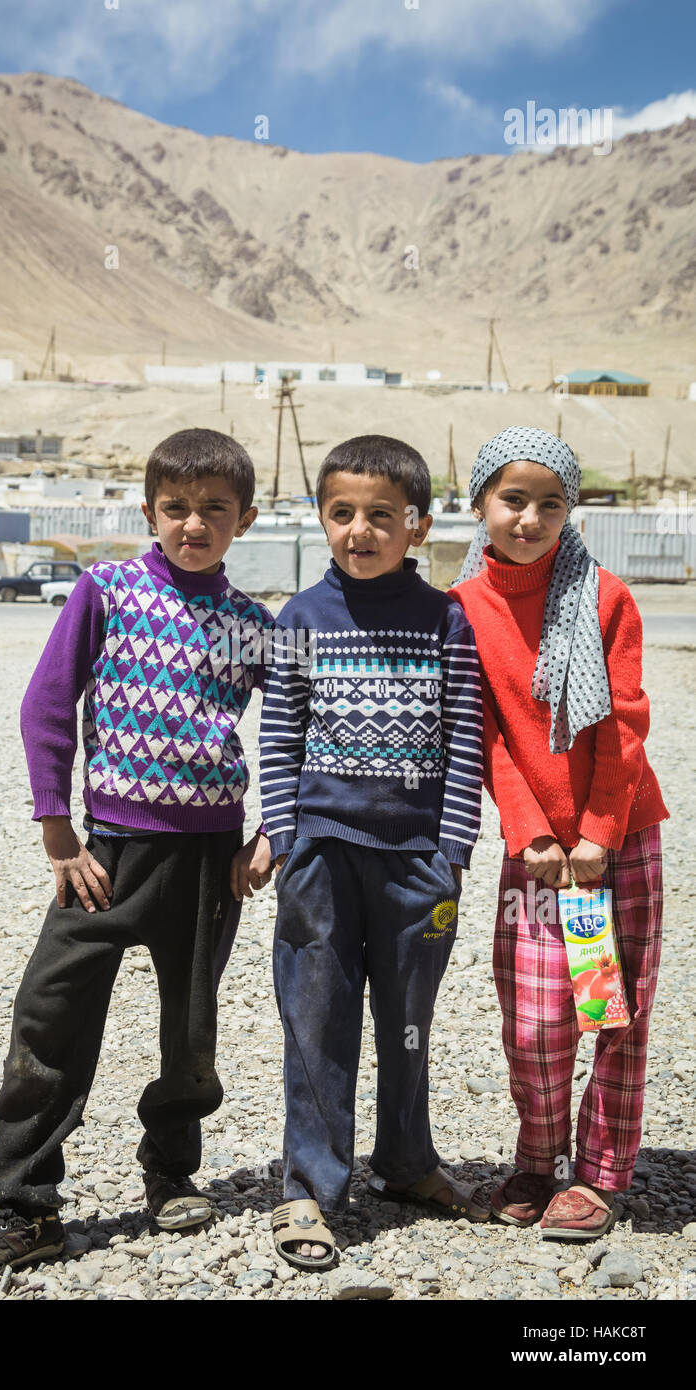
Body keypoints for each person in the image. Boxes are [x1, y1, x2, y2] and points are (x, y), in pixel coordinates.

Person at [0, 427, 274, 1294]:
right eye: (176, 508)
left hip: (209, 860)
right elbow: (48, 701)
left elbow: (308, 722)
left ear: (247, 518)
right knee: (52, 1010)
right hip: (107, 854)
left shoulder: (251, 624)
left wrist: (280, 829)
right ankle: (25, 1206)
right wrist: (56, 825)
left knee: (190, 1028)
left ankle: (171, 1171)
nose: (193, 525)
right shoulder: (107, 589)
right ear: (149, 510)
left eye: (214, 510)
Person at [258, 434, 487, 1271]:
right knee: (316, 1021)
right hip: (320, 858)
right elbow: (279, 735)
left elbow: (467, 738)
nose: (361, 530)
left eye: (381, 516)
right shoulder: (298, 619)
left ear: (418, 527)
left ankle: (407, 1163)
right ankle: (310, 1187)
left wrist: (453, 848)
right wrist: (285, 835)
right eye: (342, 513)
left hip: (418, 863)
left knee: (410, 1025)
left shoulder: (446, 620)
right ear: (321, 517)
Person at [450, 426, 668, 1240]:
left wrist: (601, 832)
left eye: (551, 502)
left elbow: (623, 724)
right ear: (479, 504)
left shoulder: (607, 597)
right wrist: (531, 830)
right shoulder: (463, 609)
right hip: (537, 853)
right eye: (514, 499)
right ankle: (538, 1157)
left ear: (570, 509)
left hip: (619, 839)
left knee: (611, 1010)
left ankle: (602, 1175)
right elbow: (489, 733)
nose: (531, 517)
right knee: (536, 1019)